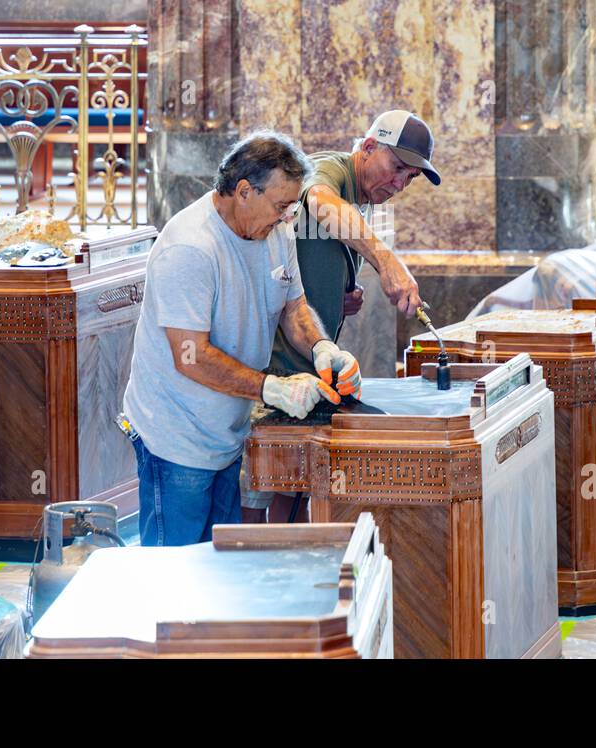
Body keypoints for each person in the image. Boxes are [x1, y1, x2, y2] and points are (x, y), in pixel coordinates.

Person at [118, 132, 363, 546]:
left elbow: (293, 308)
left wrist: (323, 348)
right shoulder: (191, 248)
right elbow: (191, 357)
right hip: (176, 436)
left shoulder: (276, 233)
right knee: (173, 571)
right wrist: (273, 389)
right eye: (282, 206)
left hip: (226, 433)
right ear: (244, 191)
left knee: (219, 568)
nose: (288, 218)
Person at [242, 110, 440, 523]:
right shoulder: (330, 170)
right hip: (272, 371)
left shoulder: (361, 199)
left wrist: (335, 297)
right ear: (368, 148)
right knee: (255, 505)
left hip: (305, 372)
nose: (400, 183)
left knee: (293, 496)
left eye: (410, 178)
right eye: (397, 168)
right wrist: (387, 261)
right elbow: (319, 203)